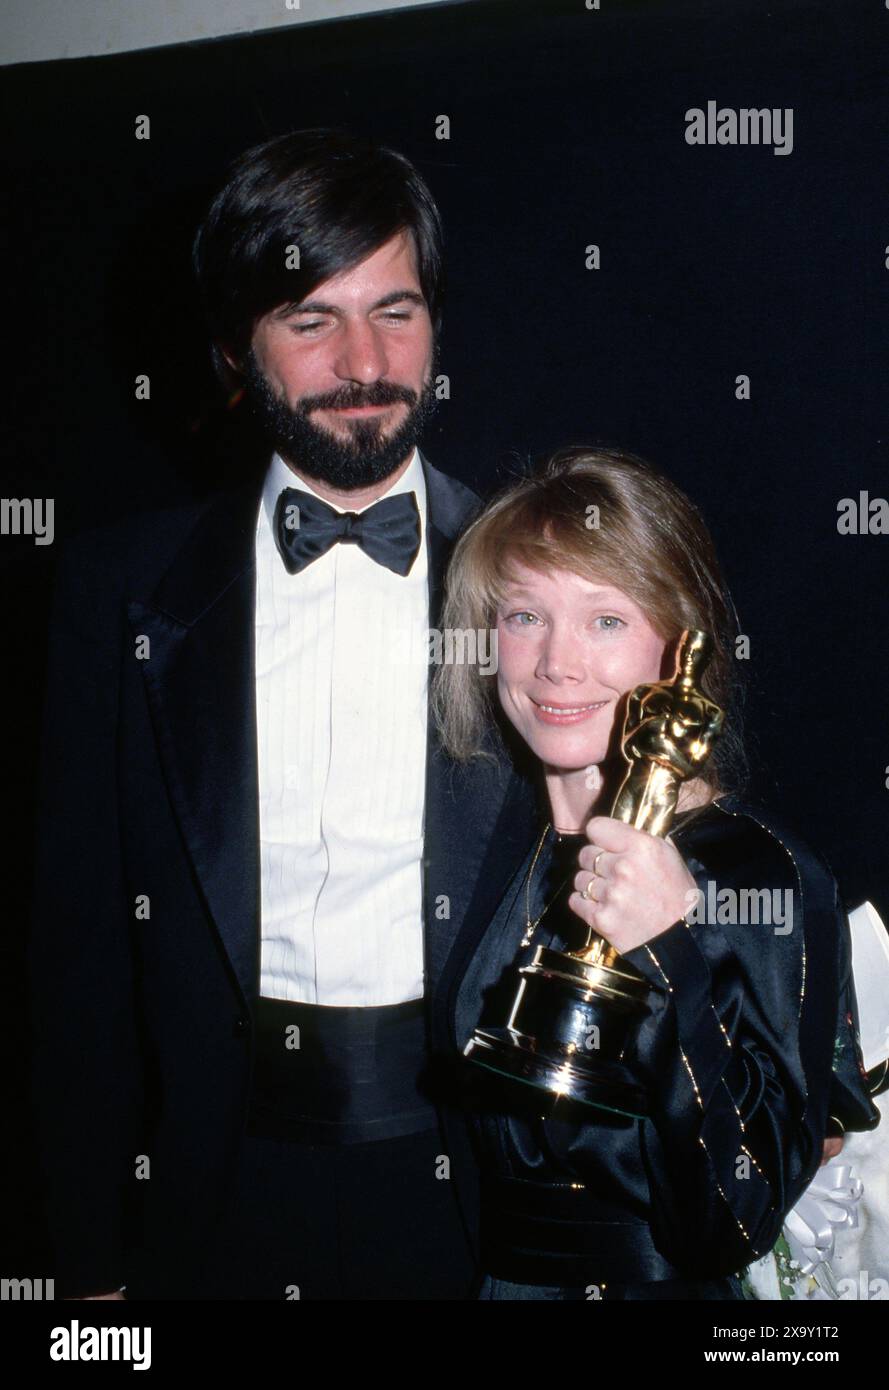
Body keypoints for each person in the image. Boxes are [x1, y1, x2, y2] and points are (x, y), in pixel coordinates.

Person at [27, 128, 539, 1301]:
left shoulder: (544, 577)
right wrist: (91, 1271)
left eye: (395, 311)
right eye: (312, 320)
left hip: (485, 1198)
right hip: (214, 1198)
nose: (366, 361)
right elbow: (80, 953)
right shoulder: (119, 592)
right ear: (231, 354)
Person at [431, 445, 881, 1300]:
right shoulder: (490, 853)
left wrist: (668, 955)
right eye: (523, 616)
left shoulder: (758, 874)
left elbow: (734, 1219)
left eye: (606, 621)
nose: (557, 663)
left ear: (681, 648)